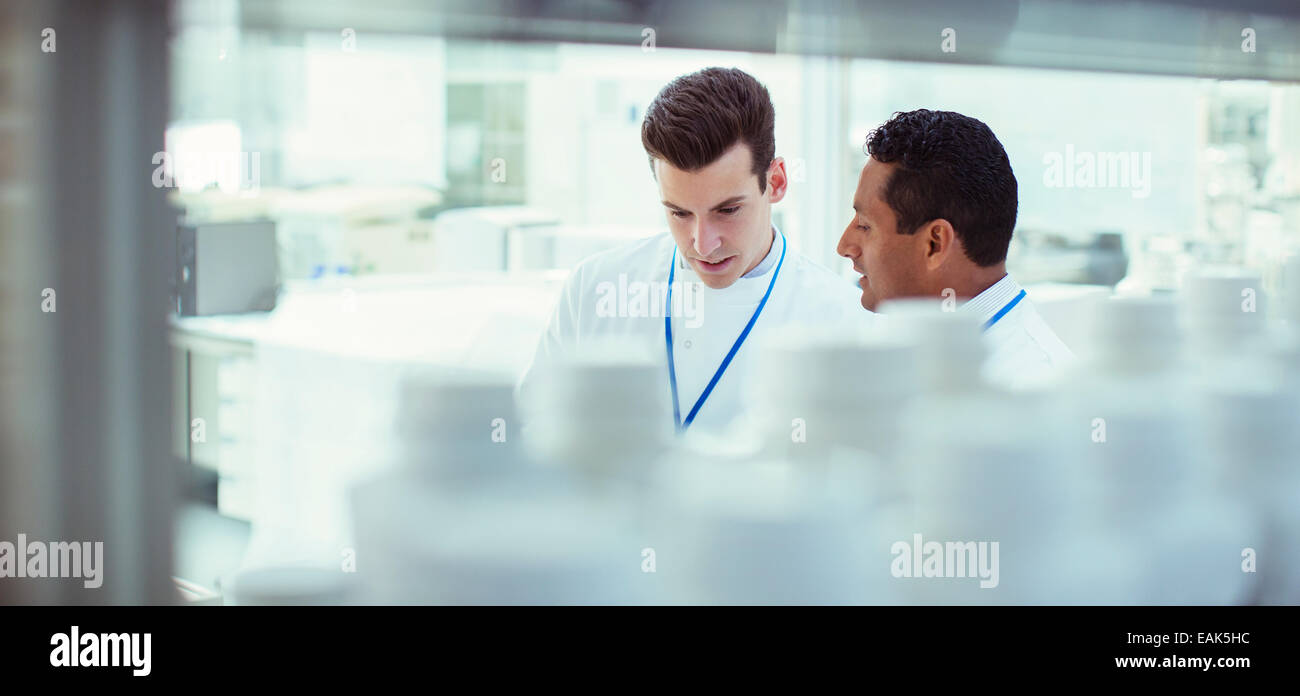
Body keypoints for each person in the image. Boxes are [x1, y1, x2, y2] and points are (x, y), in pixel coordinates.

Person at [518, 67, 871, 435]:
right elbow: (531, 433)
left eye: (728, 210)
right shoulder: (594, 289)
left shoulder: (844, 321)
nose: (703, 244)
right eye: (679, 213)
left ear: (777, 181)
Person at [836, 108, 1074, 388]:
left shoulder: (1034, 389)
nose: (845, 246)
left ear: (935, 244)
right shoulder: (902, 347)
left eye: (865, 226)